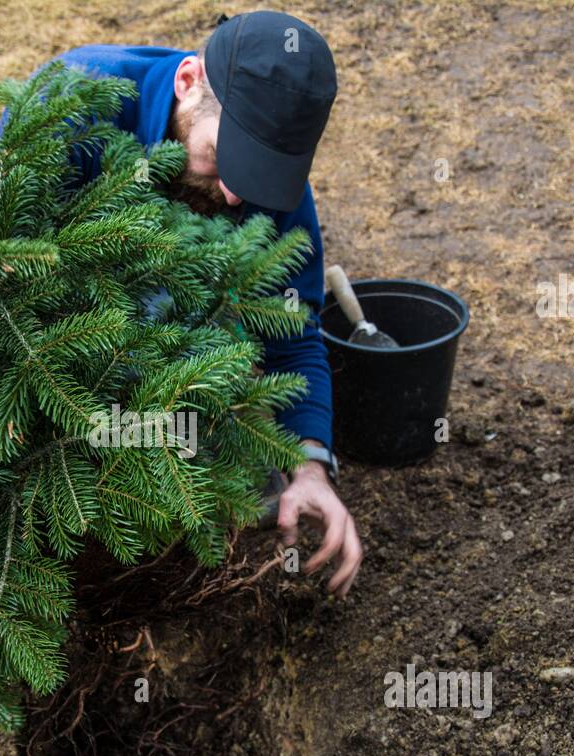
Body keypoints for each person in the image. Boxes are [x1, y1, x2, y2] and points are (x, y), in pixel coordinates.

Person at [39, 10, 362, 597]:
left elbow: (293, 332)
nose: (239, 192)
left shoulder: (266, 183)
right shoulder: (77, 103)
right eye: (224, 157)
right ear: (187, 82)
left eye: (260, 174)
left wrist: (310, 465)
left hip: (179, 346)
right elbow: (3, 262)